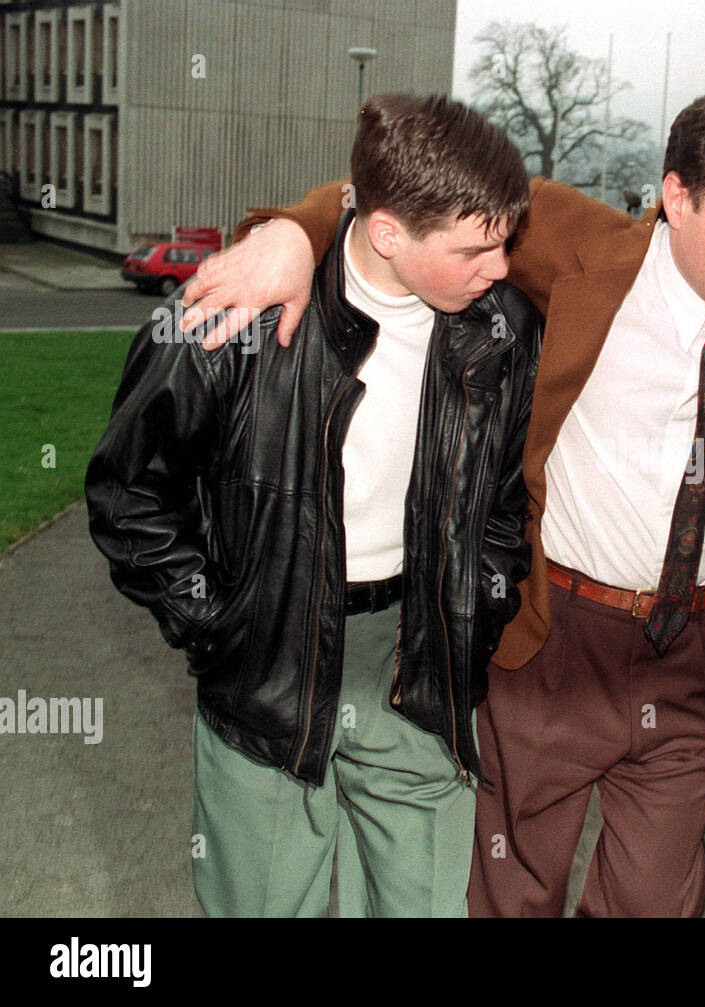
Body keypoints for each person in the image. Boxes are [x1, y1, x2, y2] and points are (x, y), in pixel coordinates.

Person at [179, 78, 705, 917]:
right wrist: (295, 232)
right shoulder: (572, 240)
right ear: (676, 195)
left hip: (697, 651)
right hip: (556, 640)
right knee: (513, 892)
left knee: (656, 898)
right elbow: (409, 199)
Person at [84, 93, 542, 916]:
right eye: (478, 248)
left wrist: (480, 611)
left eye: (507, 241)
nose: (503, 266)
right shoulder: (231, 319)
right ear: (388, 232)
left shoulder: (505, 329)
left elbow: (504, 502)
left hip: (418, 668)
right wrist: (219, 624)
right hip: (271, 665)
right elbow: (129, 494)